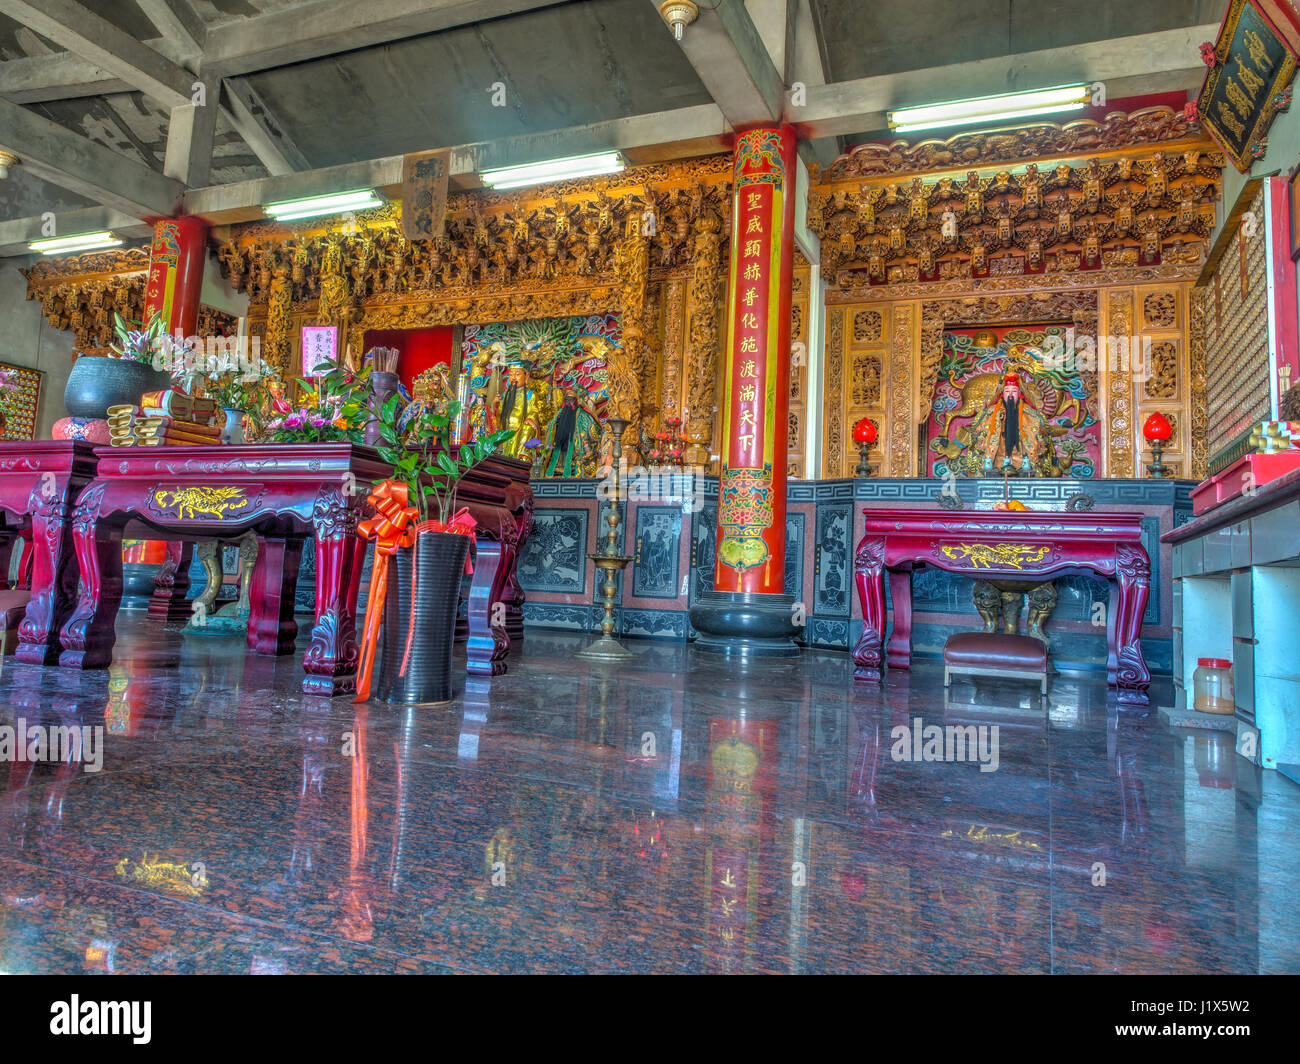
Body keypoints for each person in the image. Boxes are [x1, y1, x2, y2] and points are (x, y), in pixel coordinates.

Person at [970, 371, 1051, 473]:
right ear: (1002, 394)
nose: (1011, 395)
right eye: (1007, 391)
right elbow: (976, 435)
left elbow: (1043, 436)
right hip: (997, 459)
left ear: (1020, 394)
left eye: (1014, 391)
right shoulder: (991, 413)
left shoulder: (1030, 414)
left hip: (1023, 459)